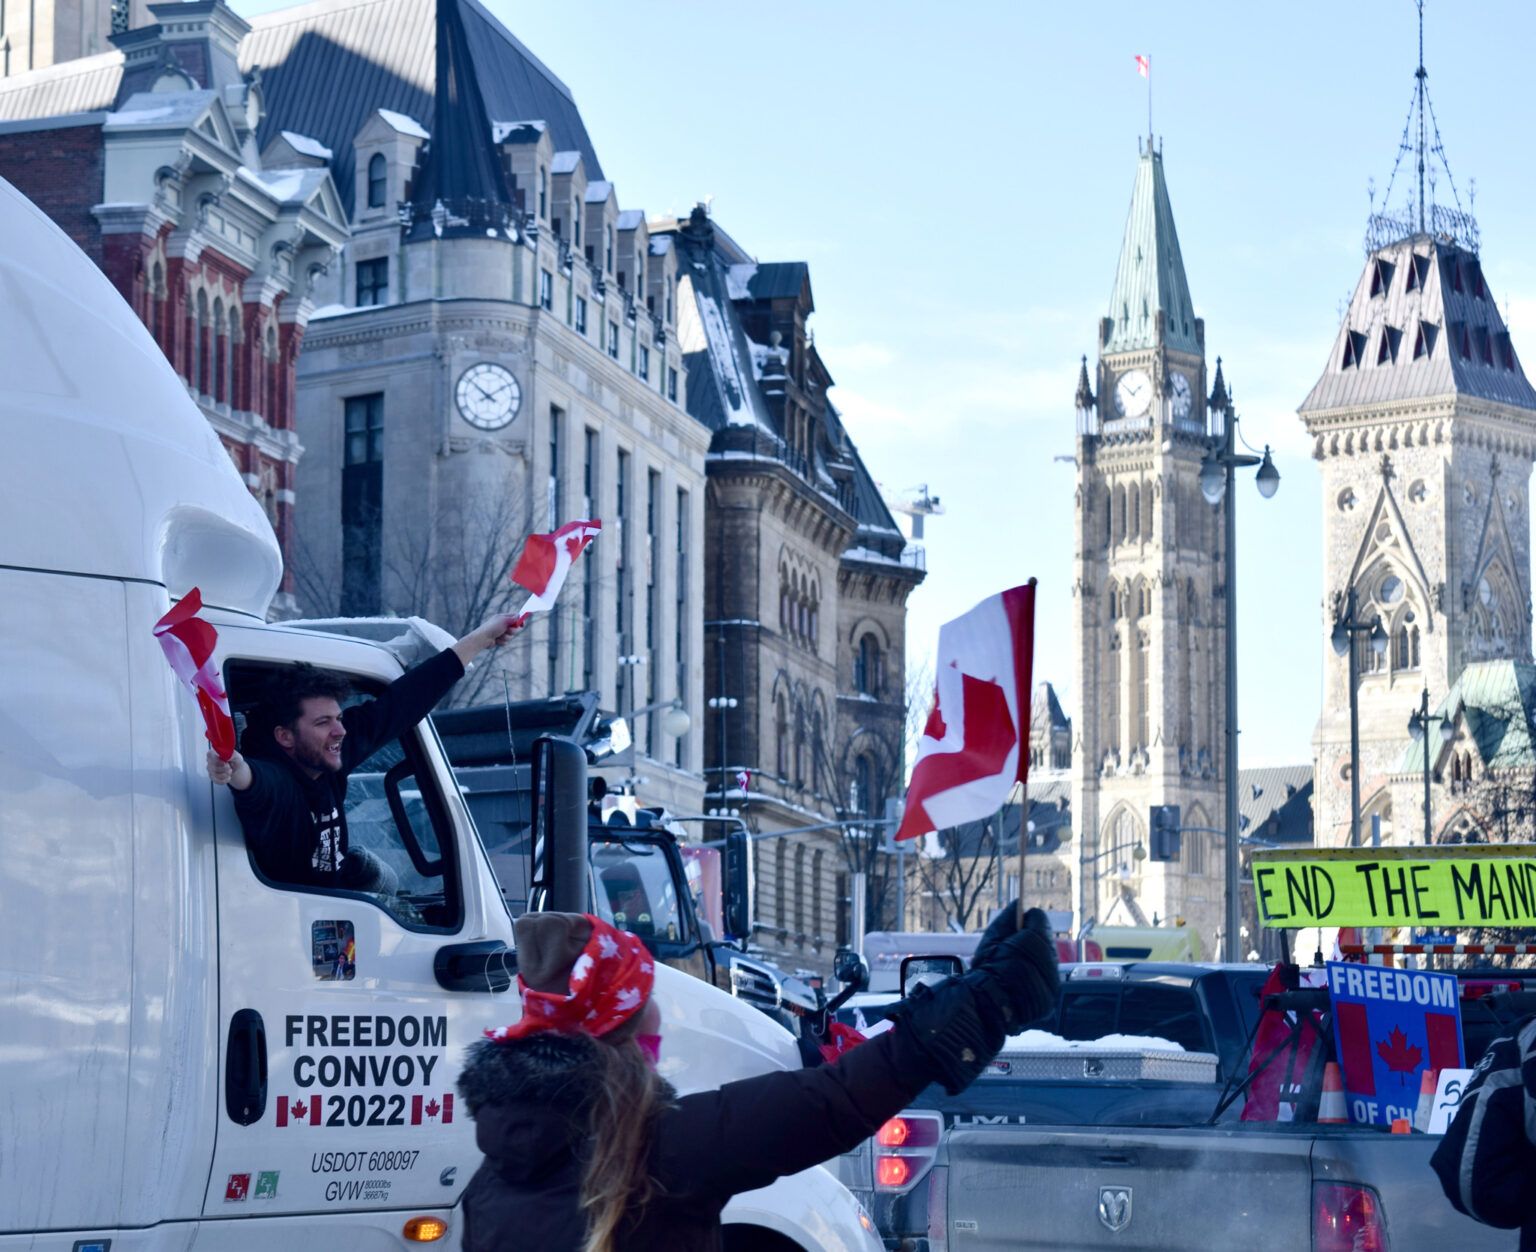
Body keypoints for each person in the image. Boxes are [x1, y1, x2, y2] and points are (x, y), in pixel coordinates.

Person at [456, 900, 1060, 1252]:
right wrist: (986, 1001)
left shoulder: (489, 1179)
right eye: (646, 1006)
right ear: (618, 1032)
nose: (660, 1021)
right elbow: (832, 1102)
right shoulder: (657, 1151)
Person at [206, 615, 520, 891]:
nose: (340, 731)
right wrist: (235, 770)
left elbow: (402, 704)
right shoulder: (281, 786)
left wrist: (481, 638)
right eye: (323, 722)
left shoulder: (324, 757)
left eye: (339, 718)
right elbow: (259, 783)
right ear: (285, 736)